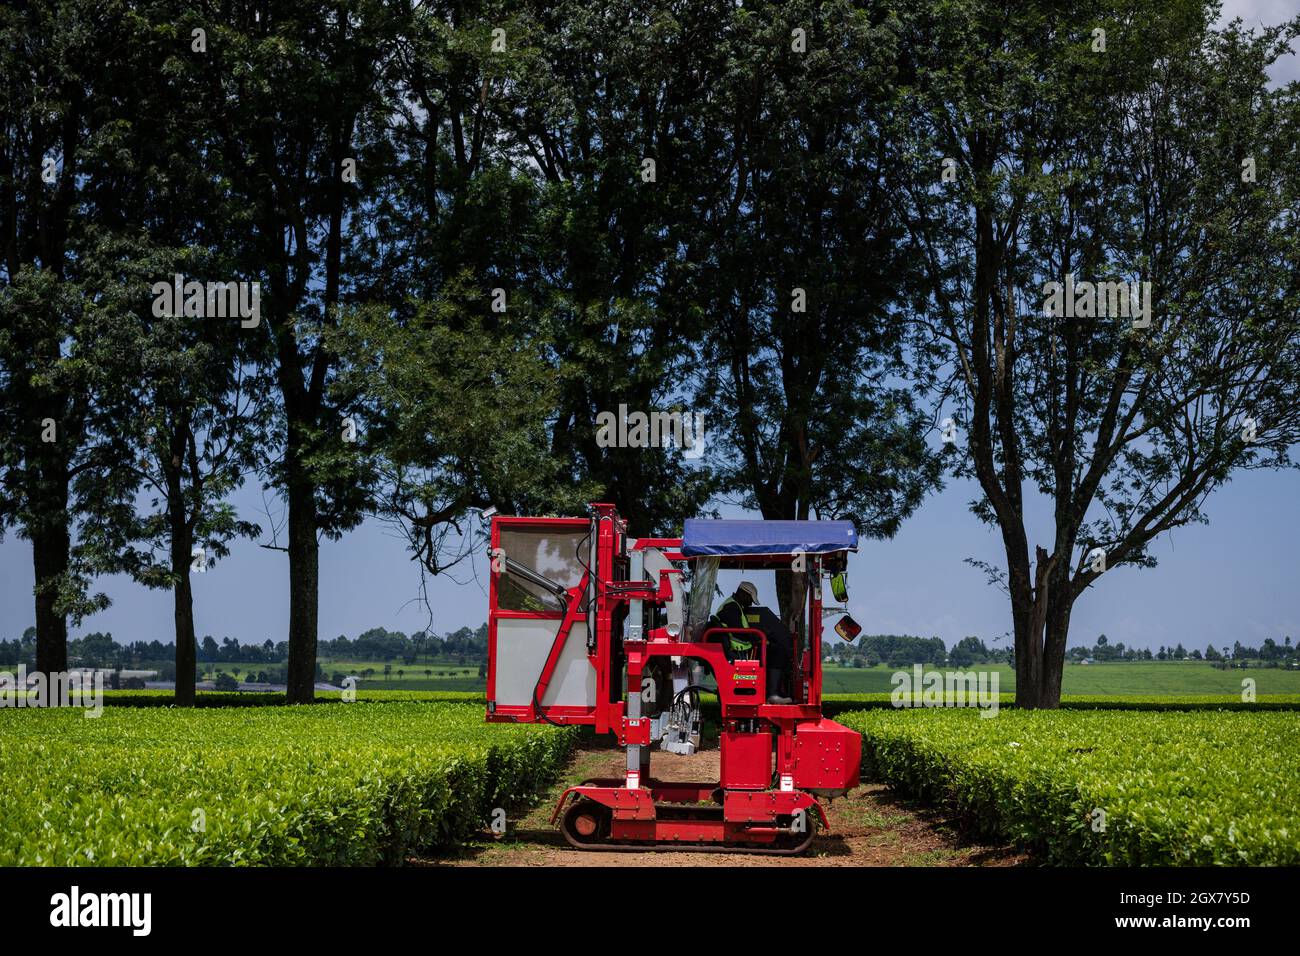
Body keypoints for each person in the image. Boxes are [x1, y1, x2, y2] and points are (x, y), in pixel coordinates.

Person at [712, 581, 794, 705]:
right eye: (750, 599)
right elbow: (740, 633)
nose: (750, 603)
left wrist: (758, 635)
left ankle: (774, 691)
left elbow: (741, 631)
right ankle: (772, 694)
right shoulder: (732, 608)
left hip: (741, 648)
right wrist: (760, 635)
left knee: (773, 648)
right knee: (778, 651)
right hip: (740, 651)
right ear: (743, 594)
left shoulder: (734, 606)